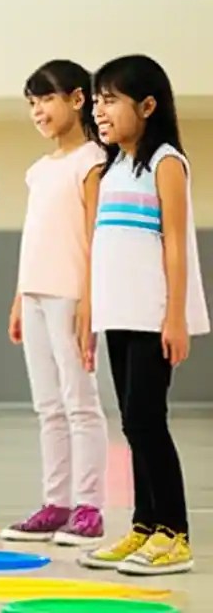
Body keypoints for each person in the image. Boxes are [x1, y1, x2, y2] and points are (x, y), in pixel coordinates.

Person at [78, 54, 207, 576]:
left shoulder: (165, 162)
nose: (99, 110)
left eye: (110, 99)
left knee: (148, 421)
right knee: (132, 423)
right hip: (119, 314)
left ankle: (174, 533)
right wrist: (92, 317)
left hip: (153, 316)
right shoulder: (112, 170)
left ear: (148, 105)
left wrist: (175, 316)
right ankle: (144, 526)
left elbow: (175, 244)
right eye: (97, 100)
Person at [1, 60, 110, 546]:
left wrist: (90, 298)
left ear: (77, 99)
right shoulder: (37, 171)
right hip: (37, 294)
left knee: (80, 401)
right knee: (48, 405)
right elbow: (34, 239)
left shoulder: (92, 160)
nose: (38, 111)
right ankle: (55, 503)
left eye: (45, 99)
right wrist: (19, 298)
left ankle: (89, 506)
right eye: (31, 103)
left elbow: (94, 235)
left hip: (72, 295)